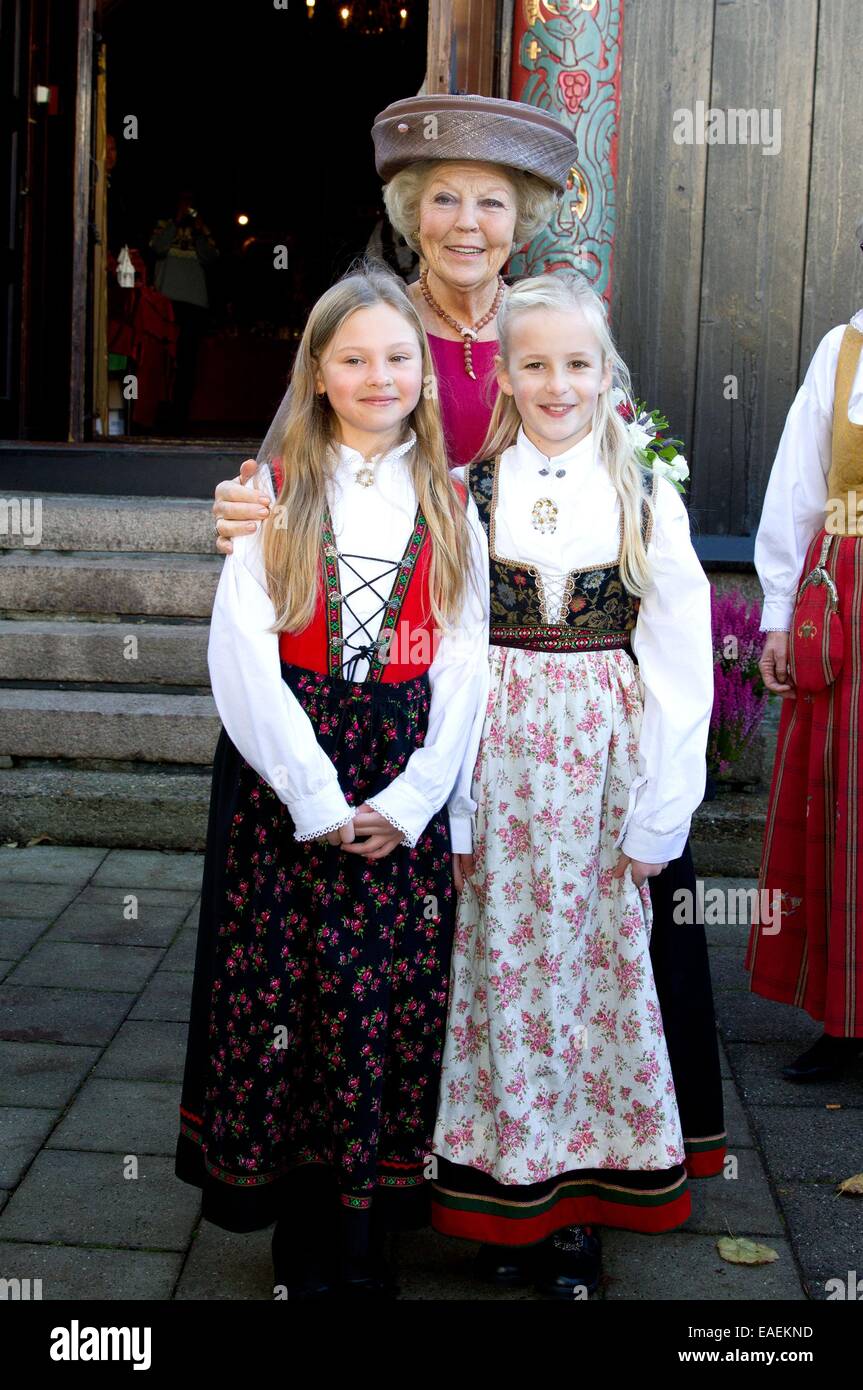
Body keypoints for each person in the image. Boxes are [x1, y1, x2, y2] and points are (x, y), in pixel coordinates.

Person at [210, 92, 727, 1202]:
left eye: (489, 202)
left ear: (521, 218)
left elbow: (631, 493)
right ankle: (395, 1168)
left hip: (560, 721)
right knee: (383, 952)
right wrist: (243, 508)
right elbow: (285, 480)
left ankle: (564, 1163)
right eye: (439, 198)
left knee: (559, 945)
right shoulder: (369, 327)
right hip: (381, 693)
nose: (464, 222)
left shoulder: (556, 332)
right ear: (405, 212)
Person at [174, 263, 491, 1299]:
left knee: (382, 1005)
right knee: (292, 1004)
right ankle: (302, 1234)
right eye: (351, 357)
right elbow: (241, 659)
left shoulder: (447, 505)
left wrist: (410, 802)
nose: (377, 374)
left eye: (397, 357)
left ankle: (371, 1233)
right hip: (291, 783)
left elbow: (463, 665)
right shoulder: (275, 496)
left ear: (422, 376)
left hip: (398, 775)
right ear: (315, 372)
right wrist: (313, 796)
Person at [430, 269, 714, 1297]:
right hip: (501, 765)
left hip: (603, 764)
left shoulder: (643, 483)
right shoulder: (473, 491)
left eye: (576, 365)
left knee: (593, 975)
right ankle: (508, 1199)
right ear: (503, 374)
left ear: (606, 373)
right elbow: (458, 654)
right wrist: (449, 803)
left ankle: (579, 1212)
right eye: (534, 363)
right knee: (501, 976)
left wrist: (661, 809)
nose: (557, 383)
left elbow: (681, 658)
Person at [747, 218, 863, 1083]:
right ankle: (846, 1017)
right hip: (846, 596)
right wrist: (779, 613)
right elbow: (797, 484)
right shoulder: (846, 349)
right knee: (838, 807)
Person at [149, 188, 219, 430]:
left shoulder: (203, 229)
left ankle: (181, 417)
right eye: (183, 201)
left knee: (187, 363)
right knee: (164, 361)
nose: (187, 206)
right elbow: (157, 248)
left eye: (191, 202)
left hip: (194, 303)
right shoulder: (163, 225)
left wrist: (199, 230)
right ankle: (158, 415)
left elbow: (211, 258)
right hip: (166, 302)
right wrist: (176, 222)